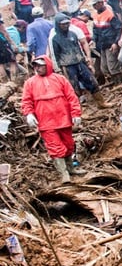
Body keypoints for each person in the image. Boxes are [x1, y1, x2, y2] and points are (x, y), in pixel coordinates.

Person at [21, 55, 86, 183]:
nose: (37, 68)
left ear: (47, 65)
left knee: (68, 144)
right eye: (35, 66)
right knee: (55, 147)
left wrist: (76, 114)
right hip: (46, 121)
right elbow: (26, 101)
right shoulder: (30, 83)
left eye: (40, 66)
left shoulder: (60, 79)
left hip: (63, 119)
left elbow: (71, 97)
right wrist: (29, 114)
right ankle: (64, 174)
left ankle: (70, 168)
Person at [48, 13, 103, 104]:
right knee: (74, 88)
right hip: (67, 66)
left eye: (67, 23)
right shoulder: (54, 38)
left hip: (80, 62)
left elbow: (79, 48)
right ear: (58, 25)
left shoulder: (73, 33)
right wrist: (58, 70)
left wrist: (86, 60)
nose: (66, 26)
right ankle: (78, 110)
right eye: (63, 24)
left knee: (92, 81)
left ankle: (101, 103)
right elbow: (54, 55)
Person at [90, 0, 122, 84]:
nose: (94, 7)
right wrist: (94, 39)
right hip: (101, 45)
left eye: (95, 4)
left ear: (101, 3)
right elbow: (95, 29)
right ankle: (111, 84)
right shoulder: (96, 15)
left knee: (112, 66)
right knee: (104, 67)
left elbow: (119, 28)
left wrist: (115, 43)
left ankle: (118, 84)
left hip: (110, 44)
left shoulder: (110, 14)